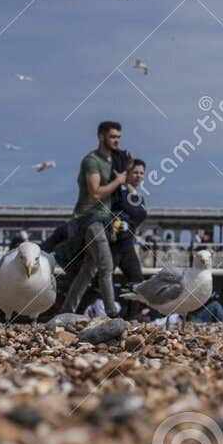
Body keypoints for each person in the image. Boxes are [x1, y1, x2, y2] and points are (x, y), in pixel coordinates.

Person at [58, 121, 128, 316]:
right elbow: (96, 193)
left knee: (89, 269)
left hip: (103, 221)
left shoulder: (110, 162)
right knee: (106, 265)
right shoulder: (92, 161)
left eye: (118, 137)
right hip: (89, 219)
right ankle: (112, 312)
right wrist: (118, 181)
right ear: (101, 137)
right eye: (113, 137)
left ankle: (67, 309)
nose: (116, 141)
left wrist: (125, 174)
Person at [110, 158, 149, 288]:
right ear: (128, 174)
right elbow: (111, 212)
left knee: (138, 284)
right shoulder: (119, 192)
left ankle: (131, 309)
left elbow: (138, 218)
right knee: (100, 283)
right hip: (113, 246)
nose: (139, 175)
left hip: (128, 246)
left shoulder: (139, 197)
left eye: (141, 173)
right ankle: (78, 308)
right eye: (135, 172)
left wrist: (130, 224)